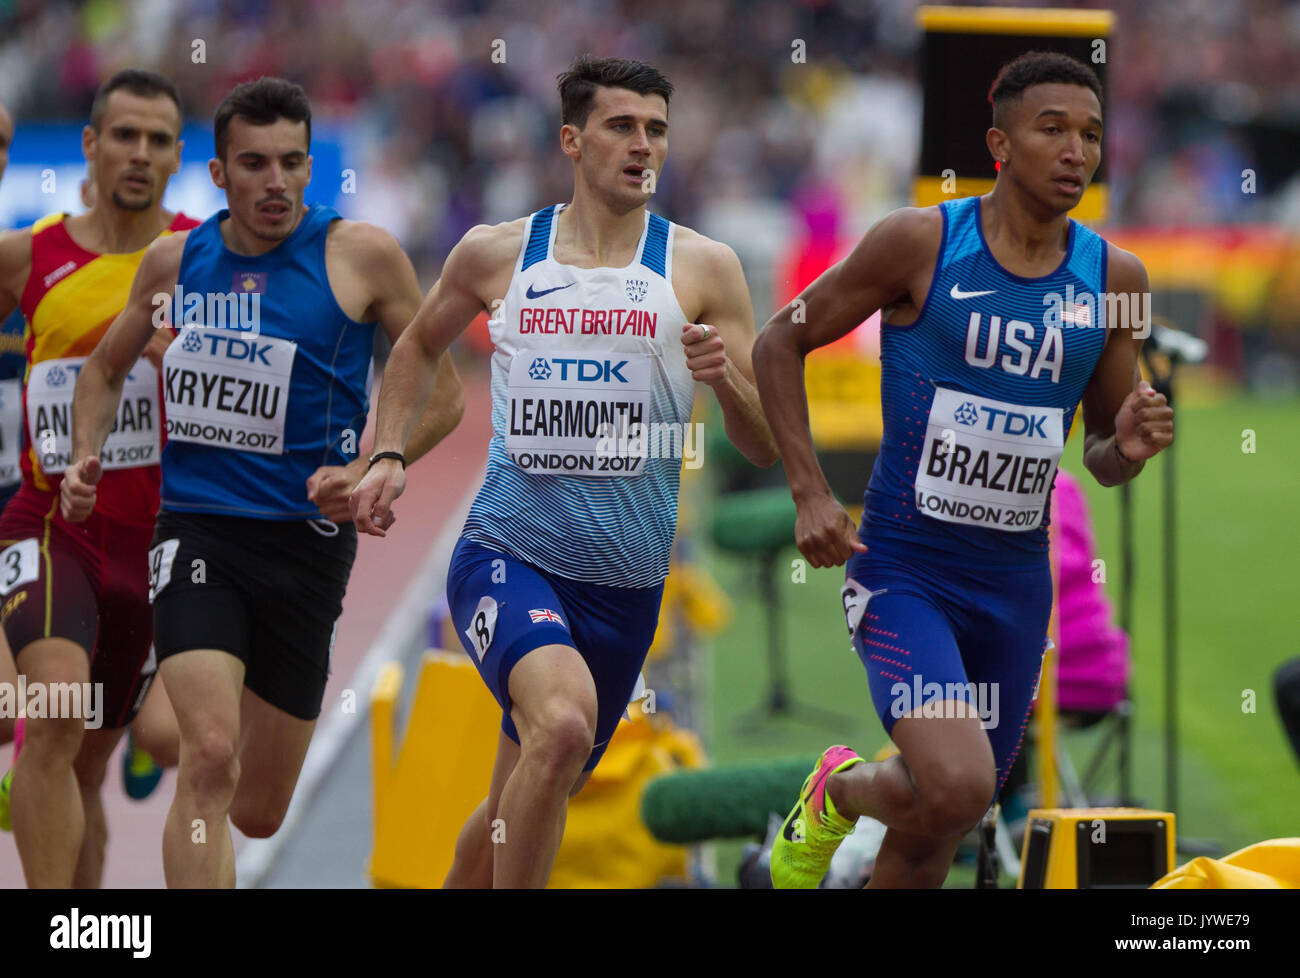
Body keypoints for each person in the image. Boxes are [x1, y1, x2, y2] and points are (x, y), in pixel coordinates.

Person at [351, 55, 778, 889]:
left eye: (656, 129)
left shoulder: (703, 269)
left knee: (523, 789)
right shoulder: (498, 254)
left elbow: (762, 445)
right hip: (507, 552)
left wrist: (723, 374)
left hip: (626, 591)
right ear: (572, 140)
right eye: (622, 126)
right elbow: (414, 348)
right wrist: (388, 453)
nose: (643, 145)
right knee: (560, 727)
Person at [755, 51, 1174, 888]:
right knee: (961, 782)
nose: (1075, 152)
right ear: (999, 143)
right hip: (907, 569)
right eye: (1050, 129)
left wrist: (1126, 445)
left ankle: (847, 801)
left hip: (1016, 585)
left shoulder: (1118, 280)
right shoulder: (920, 242)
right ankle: (836, 793)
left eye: (1090, 134)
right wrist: (809, 491)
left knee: (942, 818)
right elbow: (778, 341)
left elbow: (1100, 453)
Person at [64, 76, 464, 888]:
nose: (274, 183)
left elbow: (447, 397)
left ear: (311, 166)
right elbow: (103, 370)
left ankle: (162, 723)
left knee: (258, 809)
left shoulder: (363, 256)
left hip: (308, 546)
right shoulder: (176, 260)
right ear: (218, 174)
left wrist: (367, 468)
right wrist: (83, 453)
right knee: (210, 757)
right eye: (253, 164)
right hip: (199, 529)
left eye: (290, 163)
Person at [0, 71, 194, 885]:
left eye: (158, 140)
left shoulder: (205, 257)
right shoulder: (27, 257)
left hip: (157, 551)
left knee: (93, 765)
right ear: (90, 144)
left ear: (179, 155)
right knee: (46, 724)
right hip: (52, 530)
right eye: (124, 135)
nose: (140, 154)